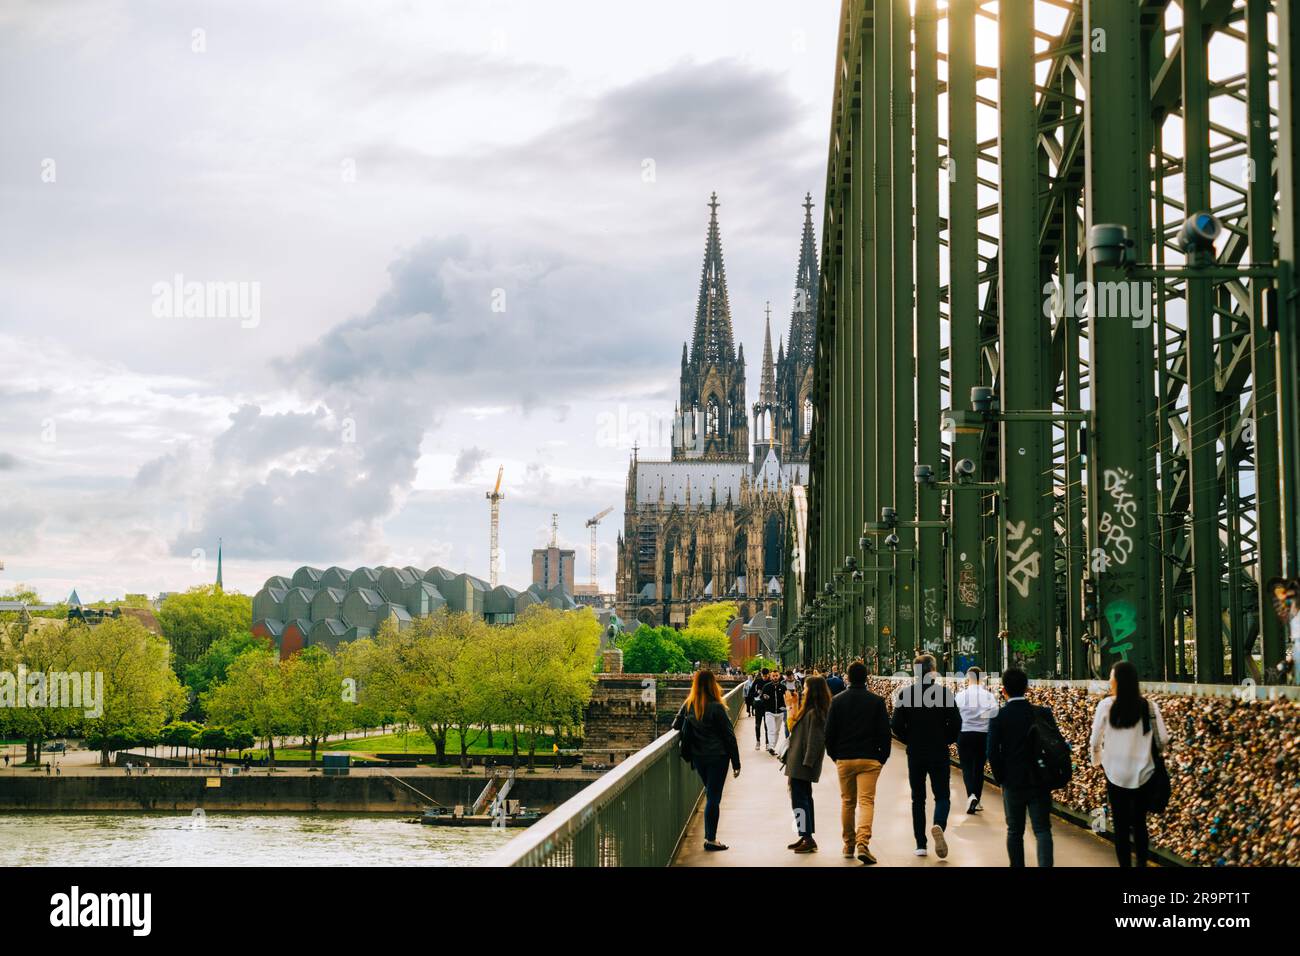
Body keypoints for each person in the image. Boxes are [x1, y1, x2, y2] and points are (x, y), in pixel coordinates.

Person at [1090, 660, 1169, 868]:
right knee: (1140, 824)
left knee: (1121, 826)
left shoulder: (1106, 705)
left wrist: (1097, 760)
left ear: (1117, 681)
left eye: (1111, 677)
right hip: (1144, 773)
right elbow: (1164, 737)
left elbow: (1094, 740)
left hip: (1115, 774)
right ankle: (1141, 863)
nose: (1109, 680)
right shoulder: (1149, 706)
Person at [891, 653, 961, 858]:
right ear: (932, 671)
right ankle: (938, 824)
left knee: (917, 798)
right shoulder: (944, 694)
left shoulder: (905, 694)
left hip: (915, 752)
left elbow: (895, 725)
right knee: (942, 795)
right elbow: (956, 724)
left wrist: (909, 739)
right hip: (938, 751)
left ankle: (920, 844)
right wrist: (945, 739)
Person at [987, 667, 1056, 867]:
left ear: (1004, 690)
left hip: (1012, 780)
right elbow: (1054, 745)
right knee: (1042, 829)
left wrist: (1001, 778)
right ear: (1027, 688)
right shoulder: (1042, 713)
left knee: (1015, 830)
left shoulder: (999, 716)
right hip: (1040, 779)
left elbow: (991, 752)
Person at [824, 660, 891, 864]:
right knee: (866, 801)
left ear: (848, 678)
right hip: (870, 759)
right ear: (867, 677)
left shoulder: (837, 701)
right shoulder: (877, 701)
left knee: (847, 802)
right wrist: (882, 758)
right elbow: (885, 733)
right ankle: (863, 843)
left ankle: (848, 845)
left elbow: (829, 734)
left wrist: (835, 756)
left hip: (844, 758)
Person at [673, 668, 741, 852]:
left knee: (710, 793)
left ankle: (710, 837)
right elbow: (729, 736)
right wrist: (736, 763)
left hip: (698, 757)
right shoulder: (717, 707)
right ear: (713, 684)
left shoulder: (689, 704)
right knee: (713, 797)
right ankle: (711, 839)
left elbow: (676, 725)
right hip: (718, 757)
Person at [784, 674, 831, 853]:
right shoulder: (812, 710)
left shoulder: (815, 713)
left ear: (812, 691)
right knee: (803, 798)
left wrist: (808, 762)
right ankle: (805, 835)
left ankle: (807, 837)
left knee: (799, 799)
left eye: (805, 687)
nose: (803, 690)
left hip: (802, 762)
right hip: (800, 760)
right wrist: (793, 705)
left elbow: (816, 740)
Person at [955, 666, 998, 814]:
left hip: (965, 734)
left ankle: (971, 797)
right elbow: (994, 715)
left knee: (967, 768)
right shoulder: (989, 696)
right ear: (982, 679)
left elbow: (955, 716)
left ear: (968, 678)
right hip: (983, 735)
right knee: (978, 769)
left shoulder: (960, 695)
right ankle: (977, 800)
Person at [760, 670, 786, 754]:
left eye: (776, 675)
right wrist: (765, 698)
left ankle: (773, 746)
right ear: (771, 677)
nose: (775, 677)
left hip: (779, 712)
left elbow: (786, 699)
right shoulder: (766, 687)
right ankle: (771, 747)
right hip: (769, 712)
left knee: (777, 731)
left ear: (779, 676)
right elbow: (761, 698)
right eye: (773, 676)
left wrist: (784, 707)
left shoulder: (783, 687)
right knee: (771, 730)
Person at [750, 668, 771, 750]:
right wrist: (757, 693)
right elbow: (750, 693)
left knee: (767, 726)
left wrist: (768, 696)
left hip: (767, 706)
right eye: (763, 676)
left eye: (766, 676)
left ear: (768, 674)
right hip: (758, 705)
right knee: (758, 725)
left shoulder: (770, 682)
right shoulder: (757, 681)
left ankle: (767, 743)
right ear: (761, 674)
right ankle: (758, 741)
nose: (765, 677)